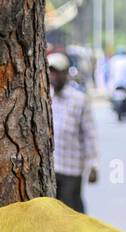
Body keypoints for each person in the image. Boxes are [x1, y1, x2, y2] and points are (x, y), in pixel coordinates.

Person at [48, 51, 98, 214]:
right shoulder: (44, 96)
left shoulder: (79, 100)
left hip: (71, 167)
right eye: (51, 72)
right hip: (50, 168)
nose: (55, 76)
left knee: (72, 211)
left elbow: (89, 134)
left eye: (59, 72)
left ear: (66, 73)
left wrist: (92, 164)